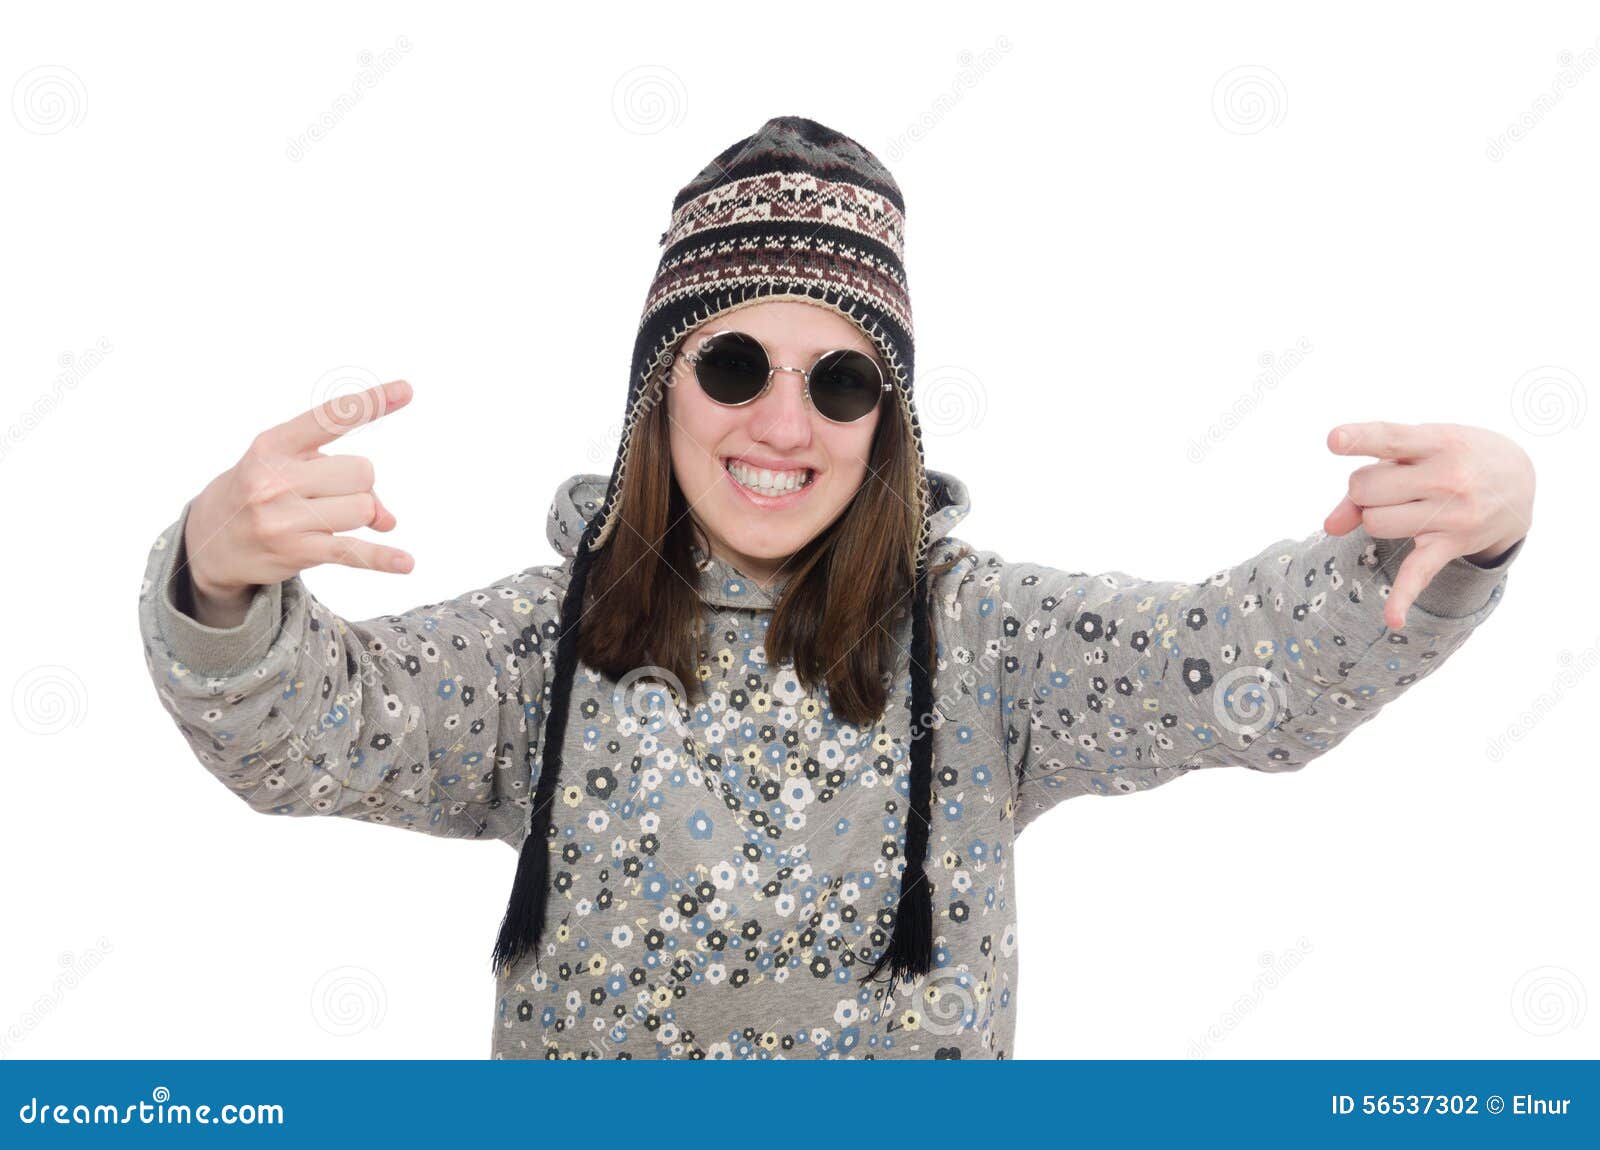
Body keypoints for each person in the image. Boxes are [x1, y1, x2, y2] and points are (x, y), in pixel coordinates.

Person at [137, 115, 1532, 1060]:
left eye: (843, 379)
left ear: (890, 421)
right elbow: (317, 732)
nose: (782, 427)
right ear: (658, 389)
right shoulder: (540, 648)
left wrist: (1459, 535)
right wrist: (217, 574)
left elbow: (1228, 667)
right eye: (734, 364)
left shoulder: (986, 645)